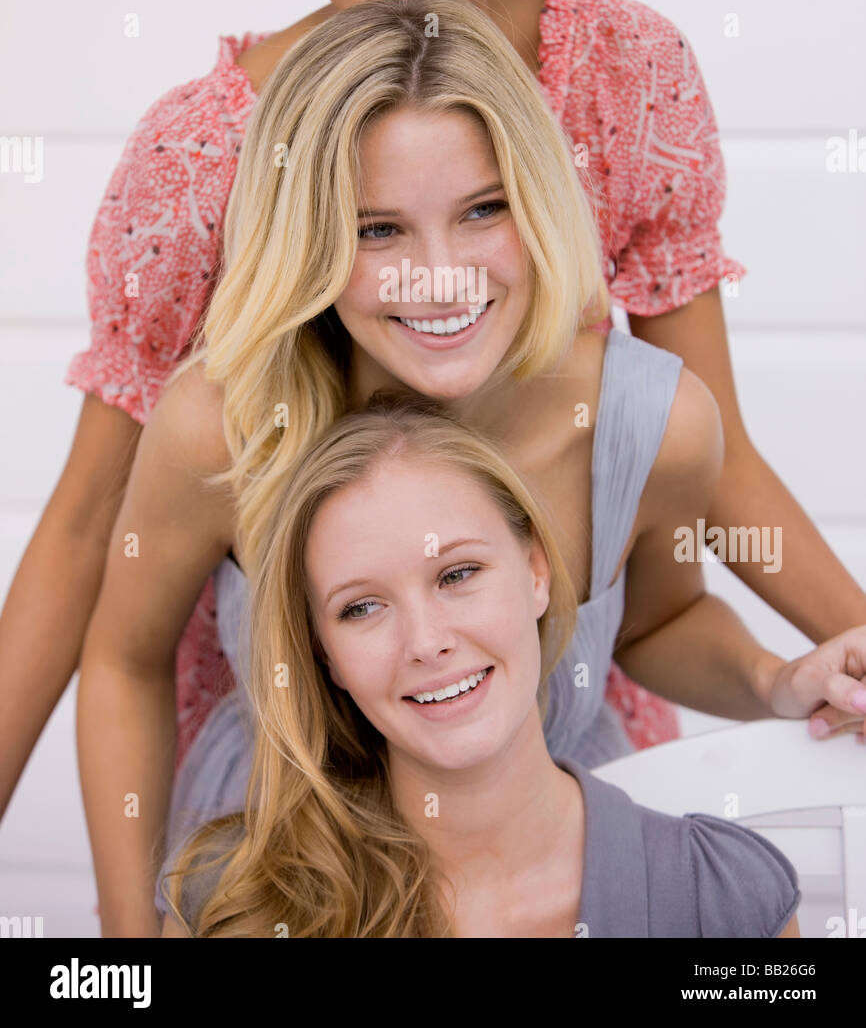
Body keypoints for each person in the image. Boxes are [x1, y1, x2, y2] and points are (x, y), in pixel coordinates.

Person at [4, 0, 865, 825]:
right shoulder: (205, 154)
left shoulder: (622, 79)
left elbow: (700, 453)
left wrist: (841, 647)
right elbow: (91, 525)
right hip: (313, 717)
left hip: (529, 686)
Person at [78, 0, 866, 938]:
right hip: (285, 872)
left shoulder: (644, 419)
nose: (438, 273)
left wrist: (774, 681)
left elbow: (660, 624)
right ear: (311, 236)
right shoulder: (225, 421)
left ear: (536, 201)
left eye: (483, 210)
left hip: (547, 860)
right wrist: (128, 944)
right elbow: (124, 661)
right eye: (378, 230)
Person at [157, 394, 802, 938]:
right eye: (362, 608)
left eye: (458, 574)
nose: (426, 641)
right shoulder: (229, 903)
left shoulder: (725, 902)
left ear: (537, 573)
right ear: (326, 657)